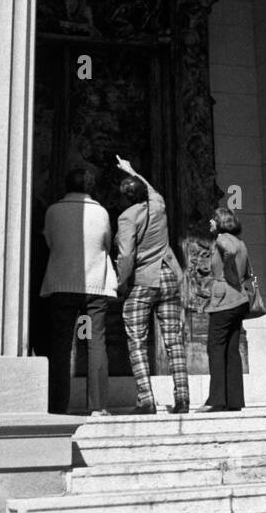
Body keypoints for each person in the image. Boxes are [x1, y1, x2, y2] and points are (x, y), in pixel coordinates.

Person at [40, 166, 117, 416]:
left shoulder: (53, 211)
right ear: (91, 188)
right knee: (96, 342)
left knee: (60, 347)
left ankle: (57, 405)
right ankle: (98, 405)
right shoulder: (101, 212)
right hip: (95, 283)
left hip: (61, 283)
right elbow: (107, 243)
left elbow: (49, 241)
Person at [115, 155, 189, 415]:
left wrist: (120, 284)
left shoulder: (127, 217)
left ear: (125, 197)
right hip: (169, 275)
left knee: (136, 339)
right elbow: (152, 190)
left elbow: (125, 256)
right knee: (174, 340)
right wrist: (132, 170)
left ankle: (146, 398)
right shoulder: (158, 205)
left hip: (145, 280)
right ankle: (183, 398)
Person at [199, 207, 250, 413]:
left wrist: (228, 274)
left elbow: (227, 252)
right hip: (240, 300)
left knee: (216, 348)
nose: (210, 222)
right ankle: (234, 400)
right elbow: (248, 272)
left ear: (221, 222)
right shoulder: (241, 242)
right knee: (231, 349)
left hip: (224, 300)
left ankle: (216, 399)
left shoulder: (222, 239)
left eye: (213, 219)